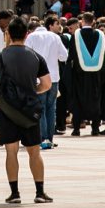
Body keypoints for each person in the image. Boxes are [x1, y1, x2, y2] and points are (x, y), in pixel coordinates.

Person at [0, 15, 52, 204]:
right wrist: (34, 91)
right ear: (27, 34)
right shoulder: (35, 56)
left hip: (7, 110)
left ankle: (14, 193)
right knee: (34, 152)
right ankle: (40, 192)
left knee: (11, 151)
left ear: (8, 33)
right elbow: (47, 83)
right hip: (29, 110)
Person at [25, 15, 68, 149]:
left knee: (41, 108)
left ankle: (42, 138)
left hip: (38, 78)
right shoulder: (55, 37)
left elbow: (26, 54)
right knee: (51, 109)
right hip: (54, 78)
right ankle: (49, 137)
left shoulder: (32, 37)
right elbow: (64, 56)